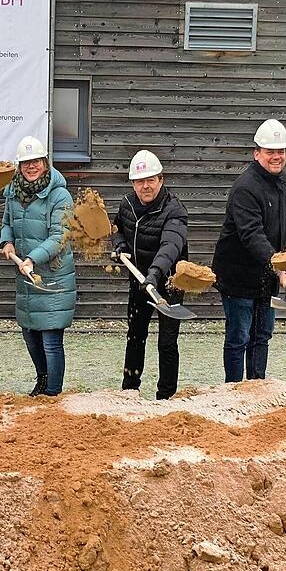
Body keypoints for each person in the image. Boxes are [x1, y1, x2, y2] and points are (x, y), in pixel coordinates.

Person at [212, 118, 286, 382]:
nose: (277, 157)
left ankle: (257, 386)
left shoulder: (284, 184)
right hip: (238, 275)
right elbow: (252, 235)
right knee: (239, 337)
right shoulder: (245, 188)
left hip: (267, 275)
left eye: (281, 151)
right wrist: (280, 267)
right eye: (271, 151)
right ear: (257, 153)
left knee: (262, 335)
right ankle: (234, 391)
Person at [0, 136, 76, 396]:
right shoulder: (12, 191)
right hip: (27, 276)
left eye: (36, 161)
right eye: (26, 162)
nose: (31, 167)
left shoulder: (59, 194)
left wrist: (32, 258)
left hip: (53, 274)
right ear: (19, 166)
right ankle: (42, 380)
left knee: (51, 340)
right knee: (30, 335)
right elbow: (7, 223)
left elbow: (60, 236)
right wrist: (6, 241)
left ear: (45, 162)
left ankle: (53, 393)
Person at [111, 150, 188, 400]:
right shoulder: (127, 205)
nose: (146, 186)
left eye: (151, 180)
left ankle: (166, 396)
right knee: (135, 336)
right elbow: (117, 229)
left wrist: (154, 275)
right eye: (140, 181)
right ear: (133, 183)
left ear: (161, 180)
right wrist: (120, 245)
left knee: (167, 342)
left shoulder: (174, 210)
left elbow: (170, 247)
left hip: (167, 283)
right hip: (139, 281)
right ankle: (130, 390)